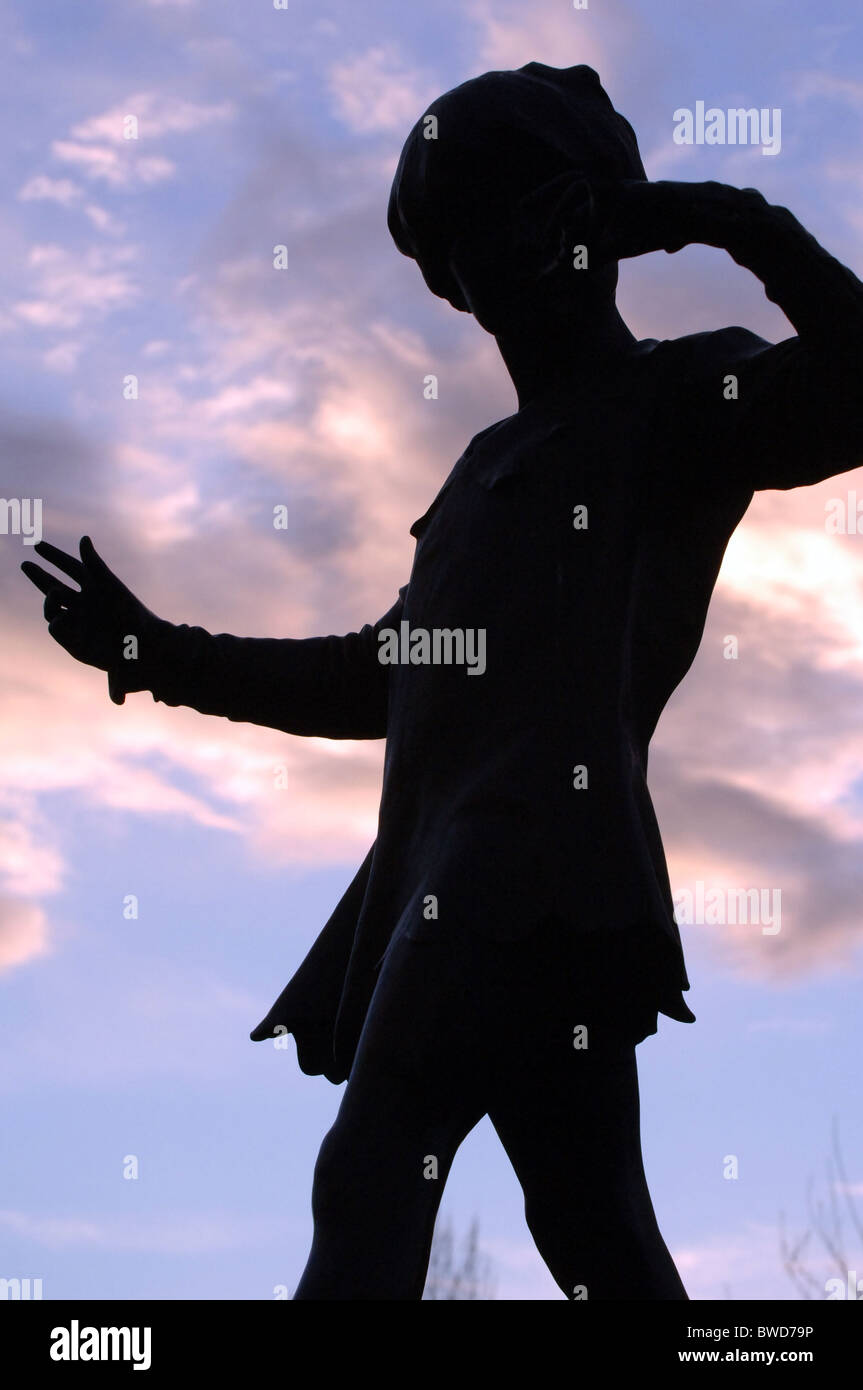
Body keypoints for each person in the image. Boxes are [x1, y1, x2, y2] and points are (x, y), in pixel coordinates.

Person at [22, 62, 863, 1300]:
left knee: (372, 1166)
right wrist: (163, 656)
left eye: (504, 218)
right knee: (593, 1231)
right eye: (455, 248)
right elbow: (383, 672)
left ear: (586, 217)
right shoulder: (480, 468)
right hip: (459, 870)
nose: (477, 275)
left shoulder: (678, 398)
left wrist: (724, 215)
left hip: (526, 858)